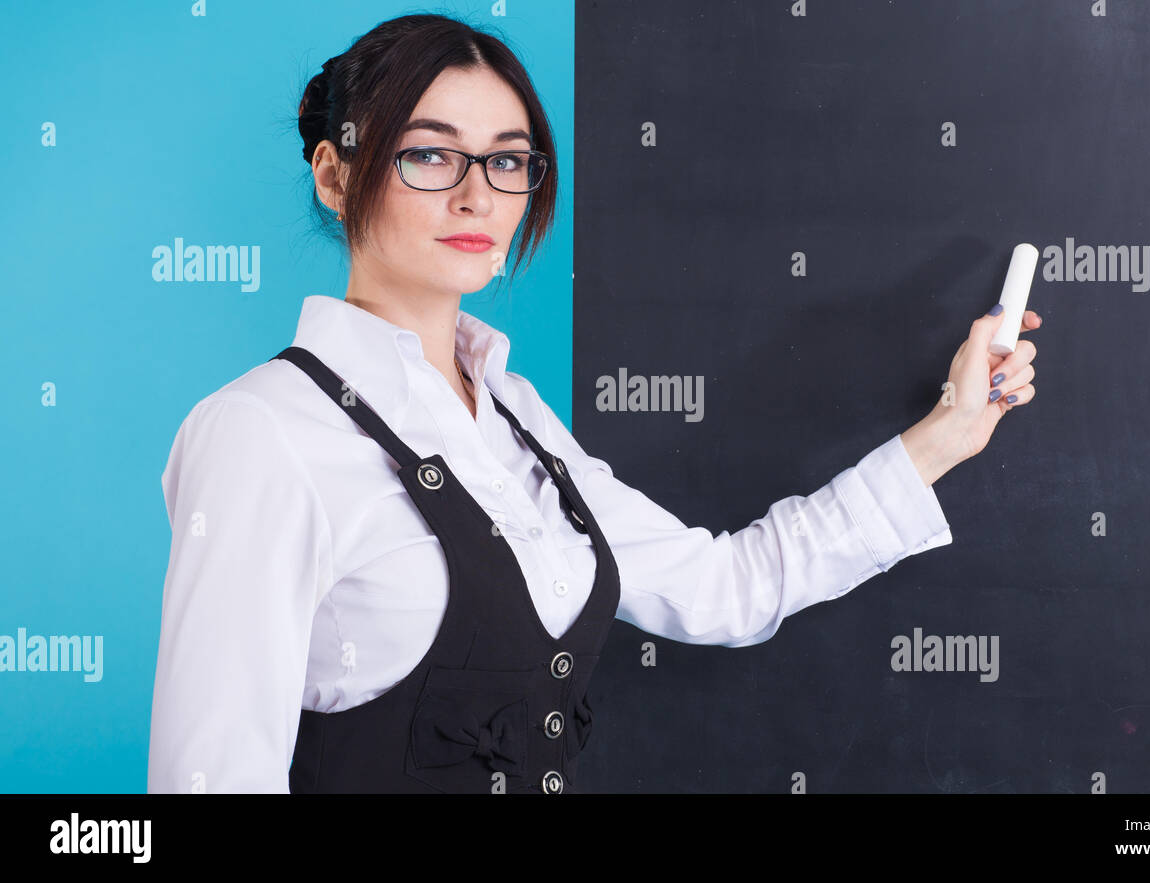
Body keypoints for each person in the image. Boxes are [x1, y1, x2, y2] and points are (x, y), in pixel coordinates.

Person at [146, 13, 1041, 795]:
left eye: (506, 160)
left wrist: (948, 434)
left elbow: (730, 586)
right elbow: (210, 779)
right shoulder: (262, 432)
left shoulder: (514, 417)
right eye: (428, 152)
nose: (476, 193)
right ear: (336, 175)